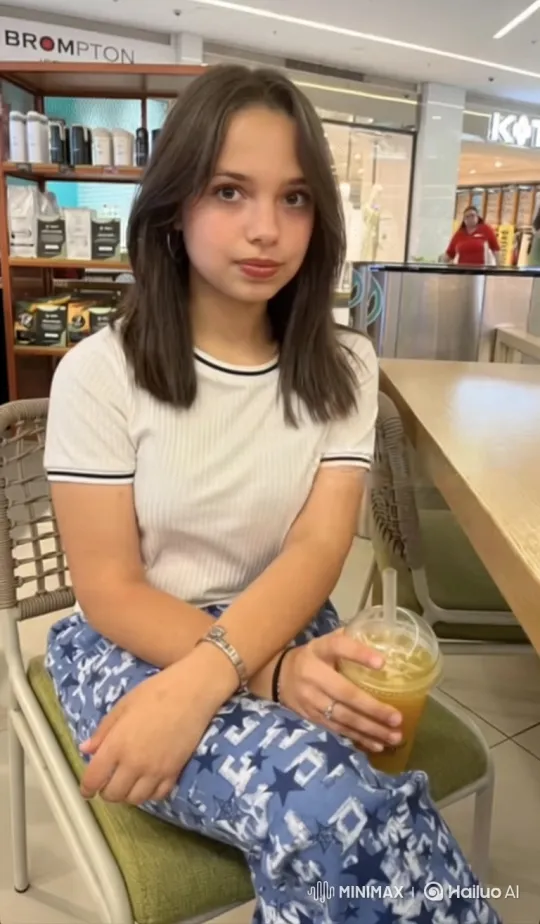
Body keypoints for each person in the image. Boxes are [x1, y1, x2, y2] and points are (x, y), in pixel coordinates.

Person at [44, 66, 501, 924]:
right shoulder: (98, 376)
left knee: (355, 816)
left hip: (285, 618)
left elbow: (317, 549)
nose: (267, 231)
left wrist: (253, 668)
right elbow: (108, 588)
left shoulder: (345, 363)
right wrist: (240, 675)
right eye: (229, 191)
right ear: (175, 202)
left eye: (295, 198)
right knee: (340, 811)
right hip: (128, 642)